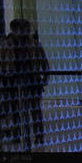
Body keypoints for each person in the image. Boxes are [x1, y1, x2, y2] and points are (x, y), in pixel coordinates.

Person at [7, 18, 49, 148]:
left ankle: (38, 136)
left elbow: (44, 63)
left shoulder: (34, 45)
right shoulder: (9, 45)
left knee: (34, 110)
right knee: (20, 111)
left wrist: (44, 80)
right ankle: (24, 135)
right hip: (17, 81)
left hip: (32, 81)